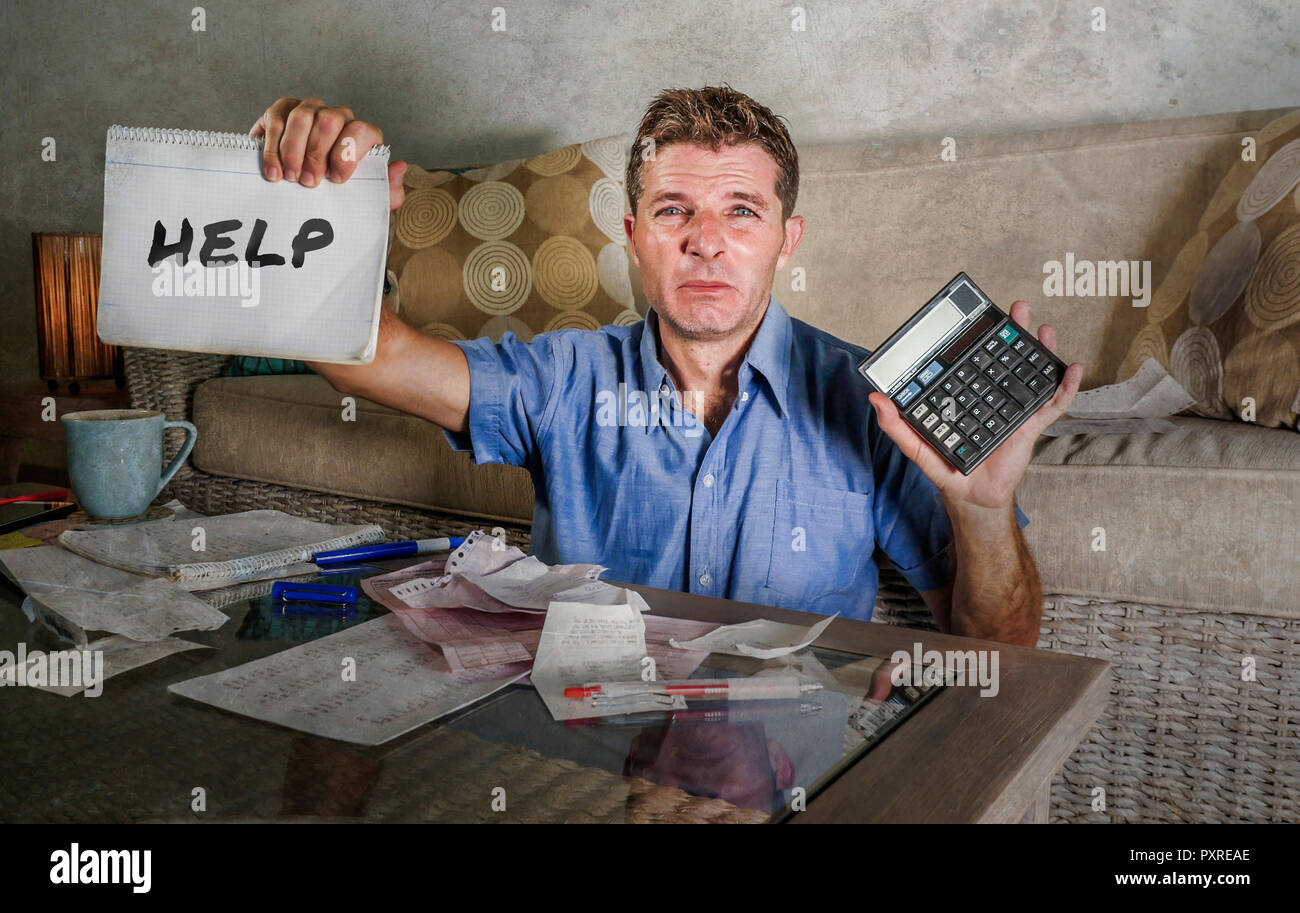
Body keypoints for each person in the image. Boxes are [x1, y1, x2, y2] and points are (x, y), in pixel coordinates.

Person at [251, 86, 1083, 647]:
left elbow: (1001, 647)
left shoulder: (872, 404)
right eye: (674, 209)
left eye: (742, 211)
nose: (706, 240)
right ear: (633, 233)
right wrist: (314, 216)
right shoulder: (565, 376)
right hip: (584, 766)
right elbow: (370, 361)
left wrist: (984, 508)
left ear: (787, 241)